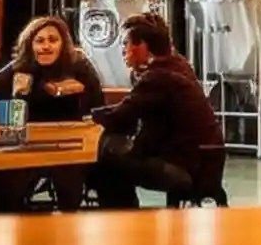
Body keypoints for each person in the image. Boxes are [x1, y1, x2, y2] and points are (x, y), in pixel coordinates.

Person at [91, 15, 224, 206]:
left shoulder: (158, 77)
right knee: (116, 153)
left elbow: (121, 114)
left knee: (107, 151)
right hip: (203, 163)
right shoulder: (178, 64)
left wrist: (86, 118)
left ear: (143, 46)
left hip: (184, 169)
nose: (123, 51)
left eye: (125, 44)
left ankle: (122, 219)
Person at [0, 16, 104, 122]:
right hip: (30, 141)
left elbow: (97, 107)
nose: (46, 46)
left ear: (63, 44)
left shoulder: (79, 64)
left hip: (75, 142)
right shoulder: (21, 67)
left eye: (53, 40)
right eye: (39, 41)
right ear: (30, 46)